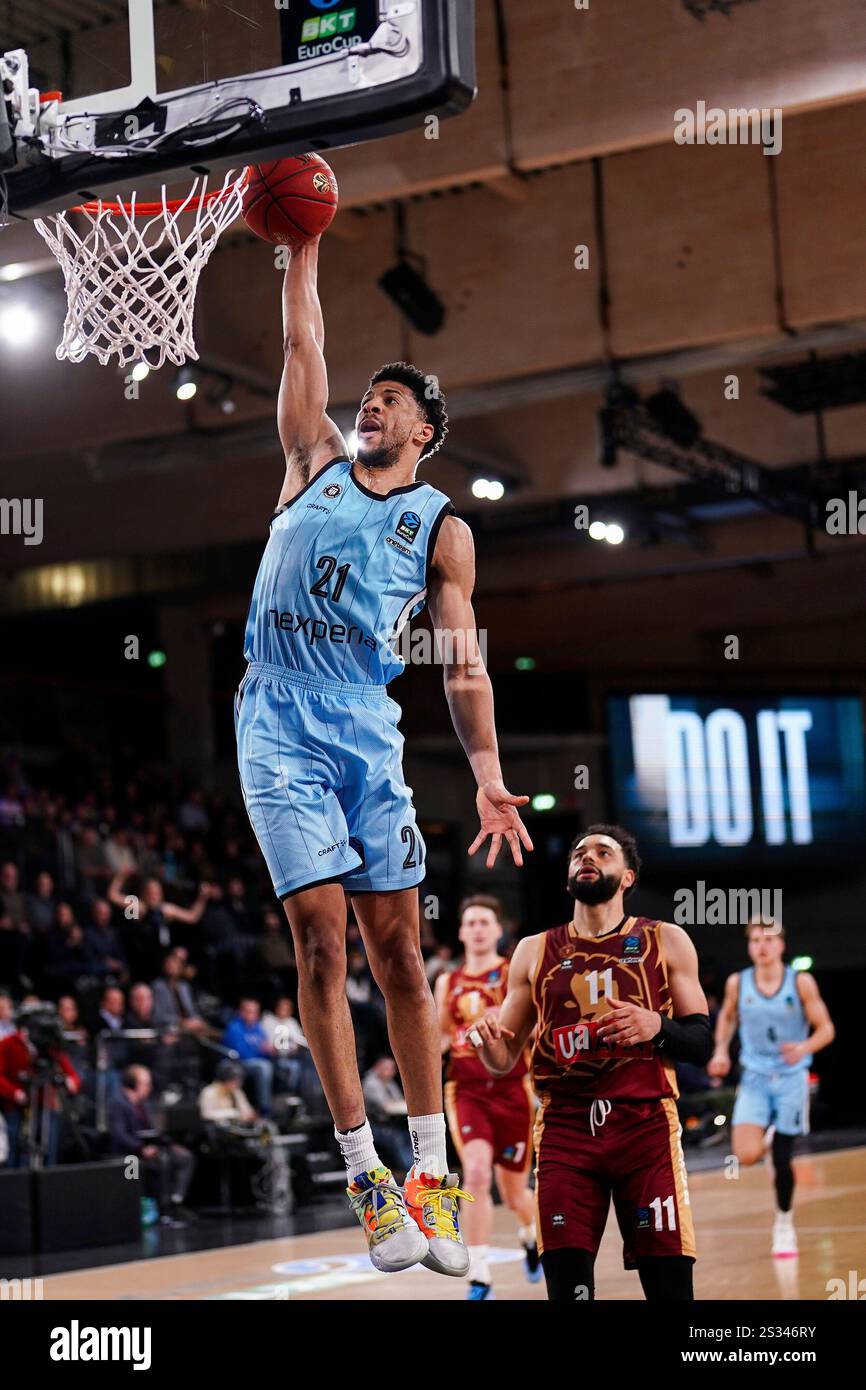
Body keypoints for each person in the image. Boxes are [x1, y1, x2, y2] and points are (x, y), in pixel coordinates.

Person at [234, 236, 533, 1273]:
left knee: (400, 955)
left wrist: (488, 773)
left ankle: (428, 1172)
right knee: (318, 944)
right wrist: (301, 246)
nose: (372, 405)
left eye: (392, 400)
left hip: (364, 723)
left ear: (425, 433)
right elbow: (299, 336)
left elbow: (461, 667)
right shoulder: (308, 459)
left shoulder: (438, 527)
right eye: (368, 395)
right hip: (276, 719)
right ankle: (364, 1173)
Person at [471, 825, 712, 1302]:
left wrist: (656, 1026)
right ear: (568, 876)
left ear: (627, 877)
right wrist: (486, 1043)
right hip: (566, 1130)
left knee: (669, 1288)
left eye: (604, 852)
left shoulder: (666, 940)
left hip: (644, 1127)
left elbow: (701, 1042)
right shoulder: (533, 950)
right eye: (580, 852)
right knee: (570, 1291)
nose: (588, 857)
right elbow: (503, 1060)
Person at [708, 918, 835, 1257]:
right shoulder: (739, 982)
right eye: (755, 941)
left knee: (783, 1157)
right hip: (755, 1077)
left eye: (768, 940)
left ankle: (783, 1223)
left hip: (791, 1079)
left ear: (781, 945)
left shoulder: (800, 982)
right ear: (749, 946)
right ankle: (764, 1140)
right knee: (746, 1155)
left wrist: (803, 1048)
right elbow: (728, 1017)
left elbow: (826, 1029)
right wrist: (721, 1050)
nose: (762, 947)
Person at [436, 894, 539, 1300]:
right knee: (476, 1173)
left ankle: (530, 1236)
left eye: (485, 922)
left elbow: (534, 1025)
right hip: (467, 1089)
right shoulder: (449, 981)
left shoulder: (513, 972)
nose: (478, 929)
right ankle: (479, 1275)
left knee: (515, 1193)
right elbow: (442, 1034)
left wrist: (503, 1025)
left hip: (512, 1087)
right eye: (471, 922)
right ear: (461, 932)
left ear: (499, 930)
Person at [108, 1064, 195, 1226]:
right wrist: (140, 1148)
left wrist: (167, 1145)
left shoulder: (143, 1105)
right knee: (159, 1162)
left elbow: (151, 1131)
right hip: (128, 1154)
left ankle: (175, 1200)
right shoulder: (118, 1104)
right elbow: (119, 1134)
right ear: (133, 1084)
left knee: (182, 1157)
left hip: (148, 1150)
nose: (150, 1088)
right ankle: (160, 1210)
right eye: (146, 1084)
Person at [362, 1056, 415, 1176]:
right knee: (398, 1138)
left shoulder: (389, 1083)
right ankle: (409, 1171)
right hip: (374, 1126)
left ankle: (415, 1168)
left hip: (390, 1124)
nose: (390, 1072)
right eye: (386, 1068)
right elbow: (386, 1106)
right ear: (377, 1068)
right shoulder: (371, 1083)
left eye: (392, 1069)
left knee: (410, 1133)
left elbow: (399, 1101)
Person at [222, 998, 276, 1115]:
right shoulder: (234, 1028)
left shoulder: (258, 1028)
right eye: (249, 1011)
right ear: (241, 1012)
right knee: (264, 1066)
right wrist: (260, 1050)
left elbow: (265, 1047)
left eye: (255, 1012)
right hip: (237, 1063)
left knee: (286, 1067)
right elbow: (242, 1053)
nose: (252, 1015)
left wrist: (269, 1050)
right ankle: (264, 1109)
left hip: (256, 1062)